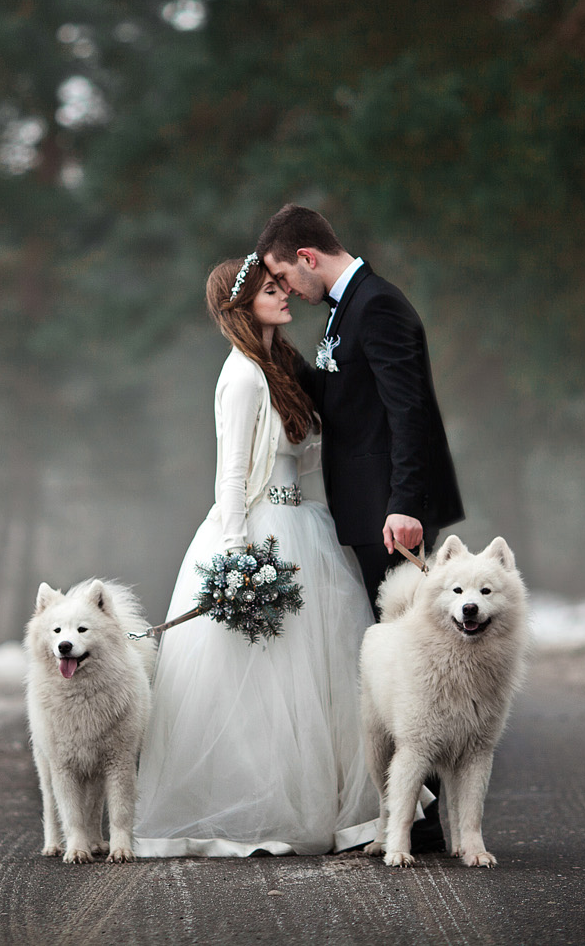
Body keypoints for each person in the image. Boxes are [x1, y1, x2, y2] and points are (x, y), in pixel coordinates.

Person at [132, 255, 379, 856]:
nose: (285, 293)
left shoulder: (279, 366)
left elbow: (295, 451)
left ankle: (329, 806)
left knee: (314, 673)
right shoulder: (242, 375)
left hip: (302, 527)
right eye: (271, 289)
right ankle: (260, 810)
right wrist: (238, 557)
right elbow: (233, 473)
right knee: (262, 678)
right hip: (260, 534)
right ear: (242, 306)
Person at [256, 204, 464, 604]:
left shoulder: (376, 304)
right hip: (369, 507)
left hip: (391, 515)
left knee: (401, 631)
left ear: (307, 258)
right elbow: (341, 394)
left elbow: (409, 410)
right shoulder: (350, 305)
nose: (286, 290)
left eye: (282, 276)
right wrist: (268, 345)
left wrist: (405, 505)